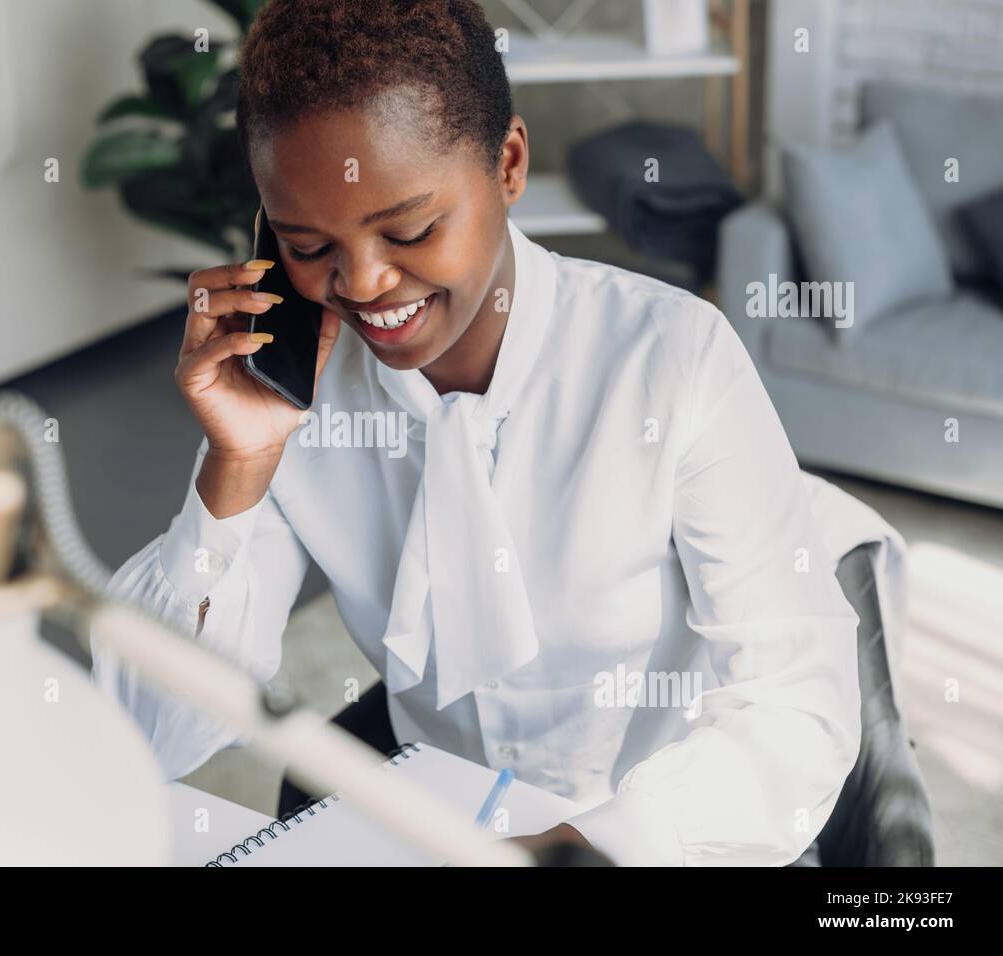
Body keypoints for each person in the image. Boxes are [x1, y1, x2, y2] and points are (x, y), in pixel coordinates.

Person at [93, 0, 862, 866]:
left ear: (508, 163)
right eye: (309, 244)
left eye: (411, 229)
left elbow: (796, 703)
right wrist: (234, 472)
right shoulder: (291, 398)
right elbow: (141, 741)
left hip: (660, 830)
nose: (366, 282)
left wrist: (578, 848)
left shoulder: (670, 359)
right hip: (429, 817)